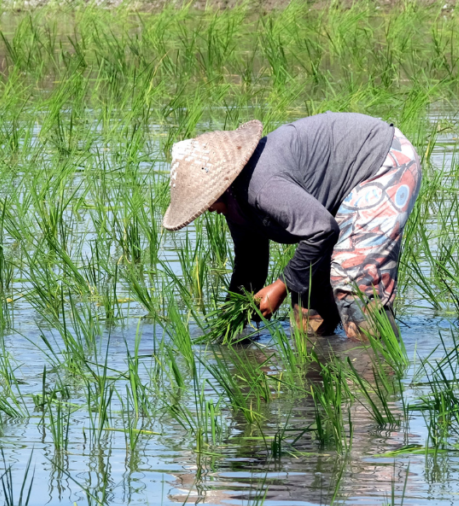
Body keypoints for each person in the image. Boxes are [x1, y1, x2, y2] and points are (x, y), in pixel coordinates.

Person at [162, 112, 422, 340]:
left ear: (221, 186)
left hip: (382, 162)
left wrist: (280, 286)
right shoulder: (235, 200)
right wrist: (233, 319)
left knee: (353, 281)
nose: (206, 209)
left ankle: (376, 369)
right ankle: (317, 375)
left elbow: (322, 229)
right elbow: (250, 262)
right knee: (307, 307)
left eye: (204, 201)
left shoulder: (262, 185)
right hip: (340, 195)